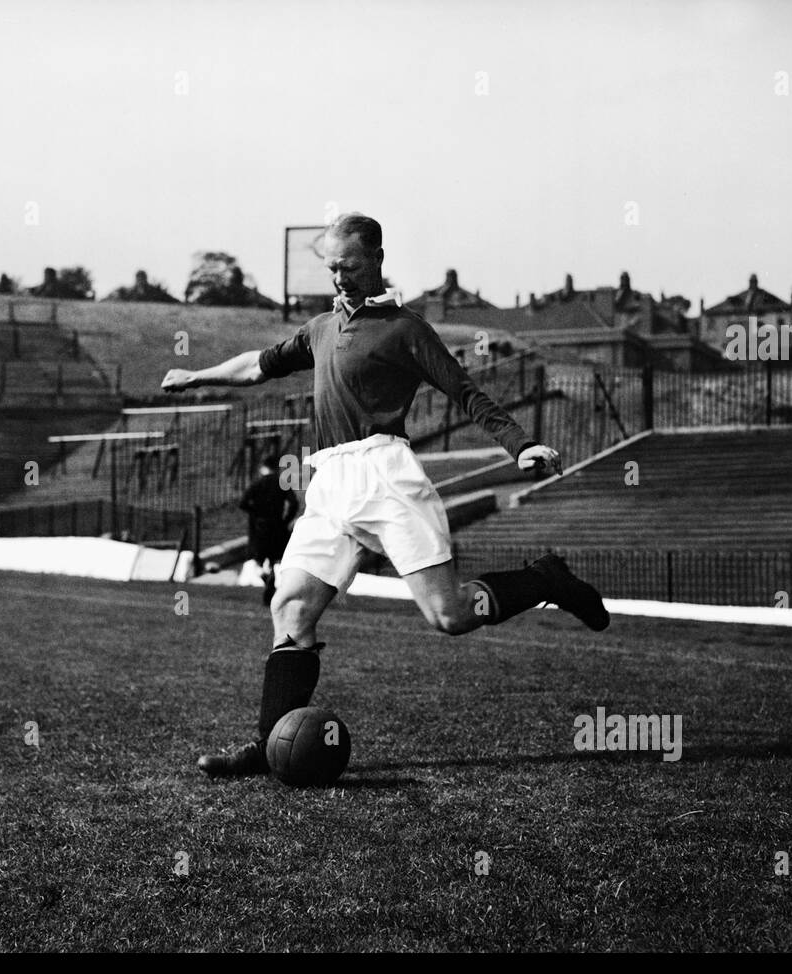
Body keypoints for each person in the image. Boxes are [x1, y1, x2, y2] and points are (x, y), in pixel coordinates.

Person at [161, 213, 609, 779]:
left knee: (448, 615)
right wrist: (196, 375)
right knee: (290, 606)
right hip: (329, 481)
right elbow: (258, 365)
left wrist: (518, 445)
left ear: (376, 258)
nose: (339, 278)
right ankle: (270, 745)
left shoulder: (406, 329)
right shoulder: (321, 328)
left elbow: (463, 390)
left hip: (385, 476)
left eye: (348, 266)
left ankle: (545, 578)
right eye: (331, 268)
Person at [239, 453, 299, 605]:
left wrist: (256, 514)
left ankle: (265, 576)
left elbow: (243, 503)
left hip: (260, 527)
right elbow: (293, 504)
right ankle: (272, 576)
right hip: (278, 525)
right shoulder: (282, 483)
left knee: (258, 558)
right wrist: (286, 520)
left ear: (263, 468)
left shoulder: (258, 484)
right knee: (276, 557)